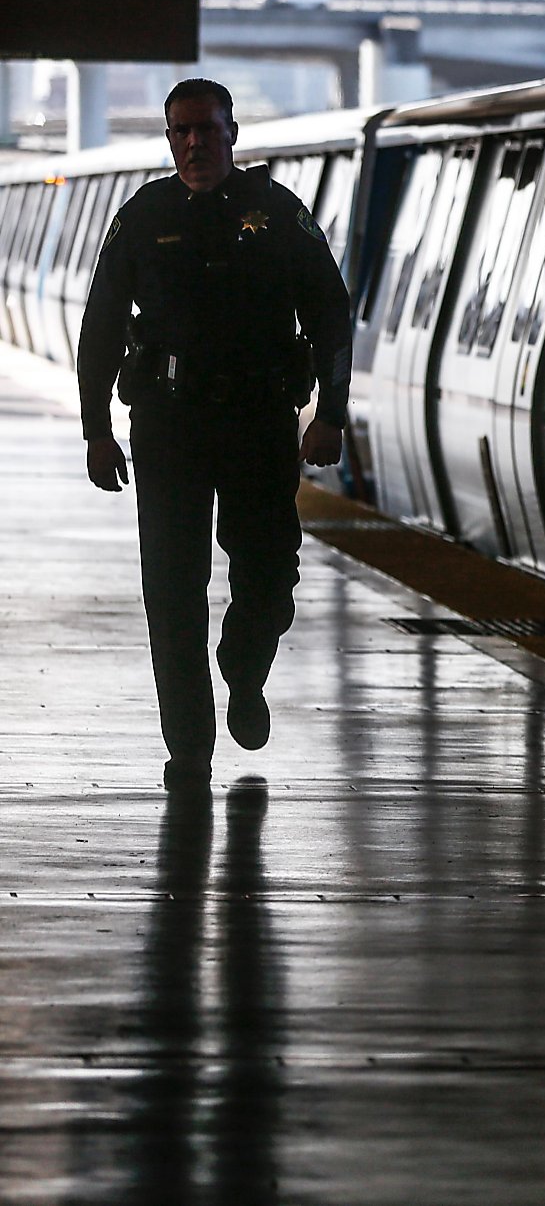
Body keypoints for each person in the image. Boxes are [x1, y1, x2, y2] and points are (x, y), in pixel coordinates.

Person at [77, 78, 352, 794]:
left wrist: (332, 411)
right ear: (169, 140)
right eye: (181, 132)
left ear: (233, 132)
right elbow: (101, 324)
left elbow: (330, 311)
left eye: (207, 129)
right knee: (172, 589)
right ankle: (189, 749)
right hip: (169, 424)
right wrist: (95, 431)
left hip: (260, 422)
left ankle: (244, 666)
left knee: (268, 576)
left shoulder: (279, 213)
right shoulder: (144, 217)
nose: (195, 142)